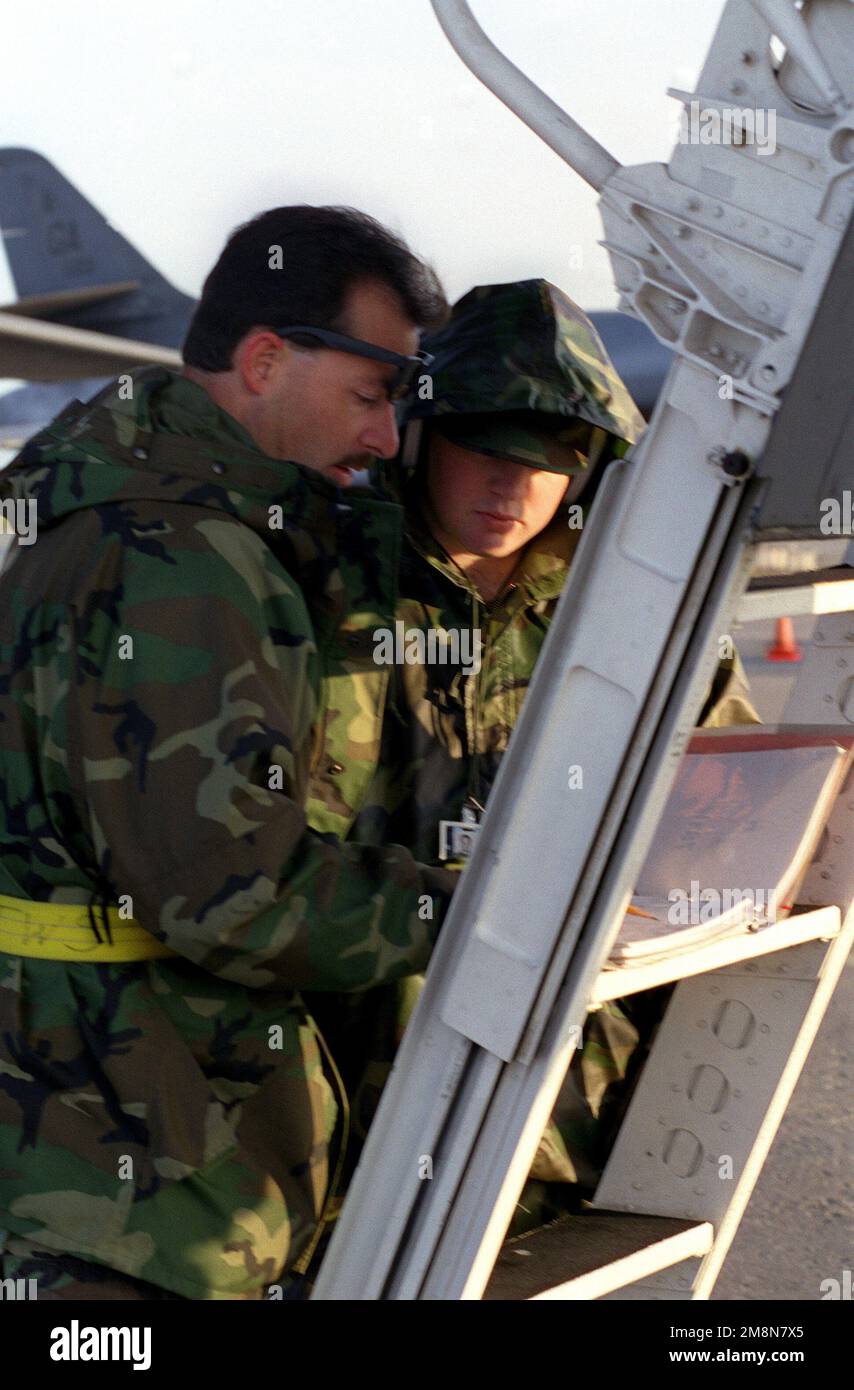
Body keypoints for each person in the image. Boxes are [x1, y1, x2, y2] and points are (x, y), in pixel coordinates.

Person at [0, 204, 459, 1300]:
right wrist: (471, 911)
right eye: (371, 396)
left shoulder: (110, 508)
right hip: (138, 1187)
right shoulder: (183, 560)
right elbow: (231, 893)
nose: (385, 440)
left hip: (73, 1128)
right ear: (262, 362)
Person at [308, 279, 760, 1226]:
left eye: (551, 459)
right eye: (485, 450)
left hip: (564, 1106)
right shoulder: (312, 589)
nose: (512, 488)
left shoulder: (639, 611)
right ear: (424, 437)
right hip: (343, 1111)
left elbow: (735, 812)